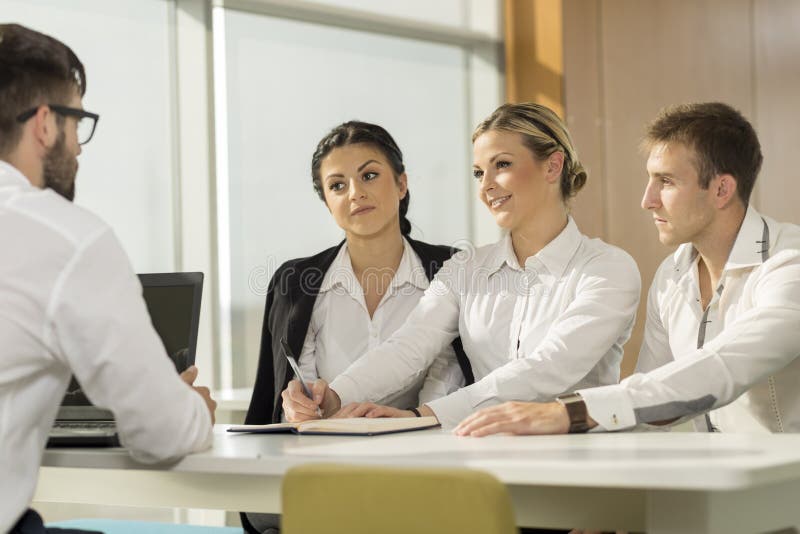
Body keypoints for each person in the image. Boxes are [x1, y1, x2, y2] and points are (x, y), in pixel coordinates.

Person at [282, 102, 641, 430]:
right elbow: (408, 346)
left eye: (502, 165)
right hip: (488, 462)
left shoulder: (608, 269)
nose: (486, 186)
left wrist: (425, 415)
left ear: (553, 165)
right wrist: (334, 395)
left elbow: (549, 367)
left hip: (583, 466)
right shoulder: (464, 268)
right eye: (478, 173)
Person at [455, 102, 800, 437]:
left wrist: (572, 411)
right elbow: (651, 405)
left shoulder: (789, 263)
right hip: (720, 485)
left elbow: (724, 366)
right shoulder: (672, 275)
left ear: (722, 189)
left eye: (665, 181)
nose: (647, 200)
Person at [0, 24, 216, 533]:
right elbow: (162, 433)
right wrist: (190, 406)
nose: (78, 147)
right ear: (46, 124)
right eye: (78, 122)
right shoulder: (68, 238)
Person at [241, 121, 473, 534]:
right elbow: (279, 391)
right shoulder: (294, 281)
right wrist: (298, 405)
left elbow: (450, 380)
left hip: (426, 463)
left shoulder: (452, 269)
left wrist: (409, 420)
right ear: (326, 202)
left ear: (401, 184)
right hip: (320, 464)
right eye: (337, 185)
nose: (355, 193)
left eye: (369, 175)